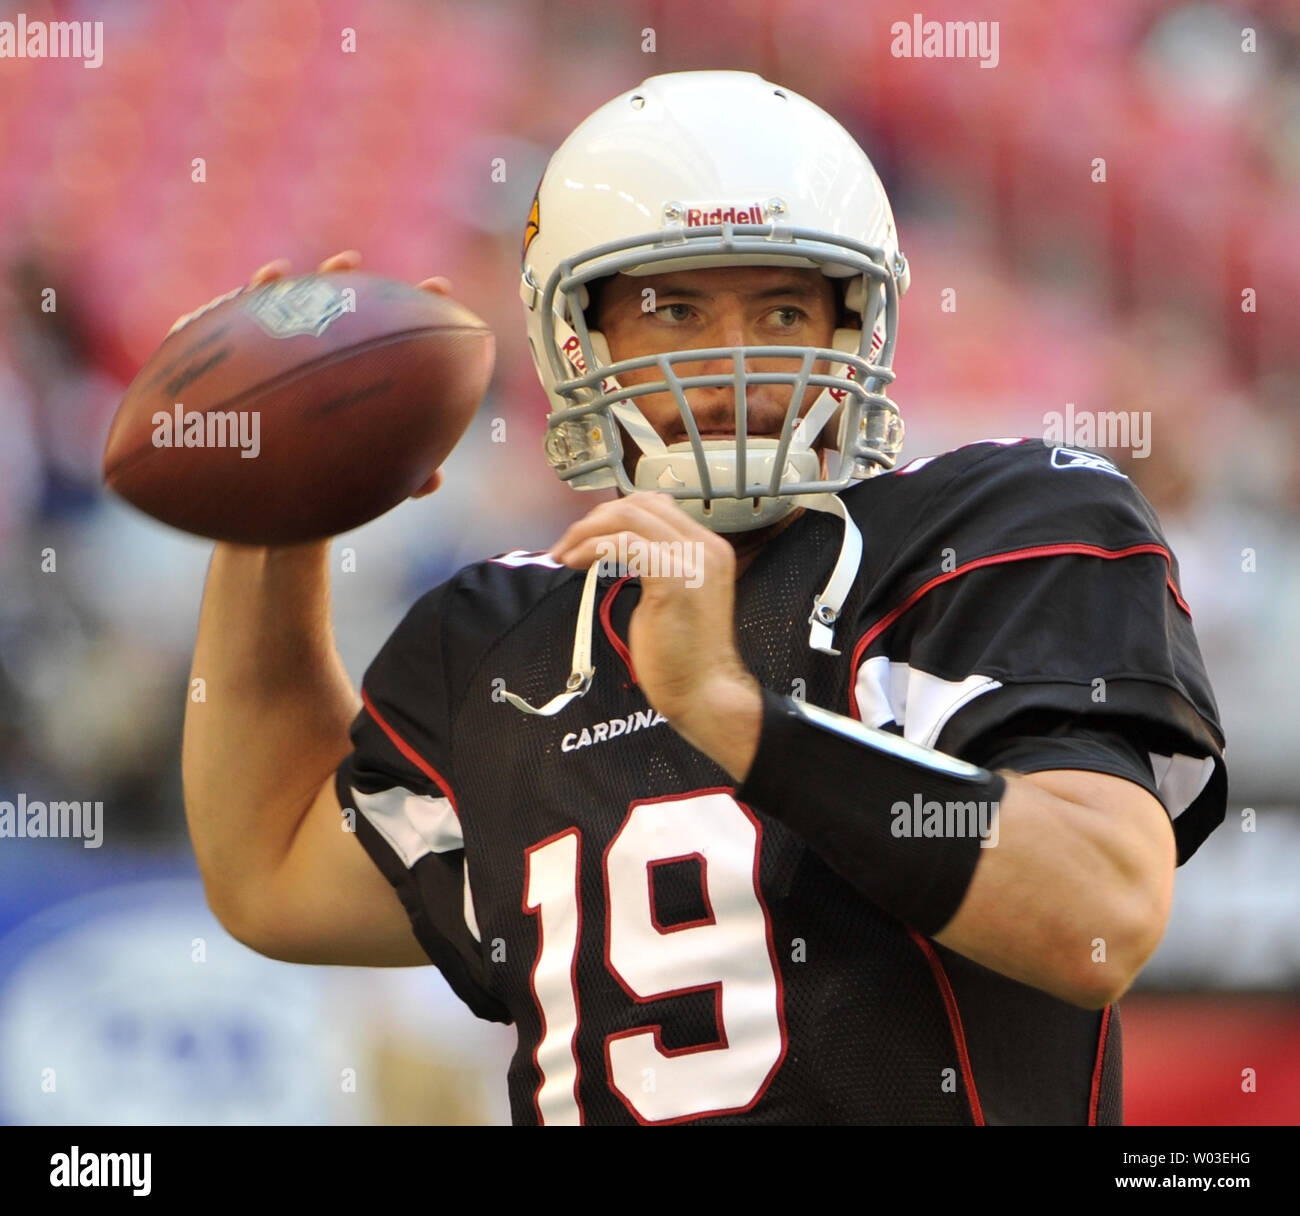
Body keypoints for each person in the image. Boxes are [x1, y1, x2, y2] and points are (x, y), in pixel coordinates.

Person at [183, 71, 1226, 1125]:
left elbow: (1101, 915)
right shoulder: (497, 643)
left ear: (851, 330)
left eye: (779, 308)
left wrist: (737, 717)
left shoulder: (987, 527)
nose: (731, 365)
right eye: (673, 309)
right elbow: (269, 870)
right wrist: (274, 516)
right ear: (577, 338)